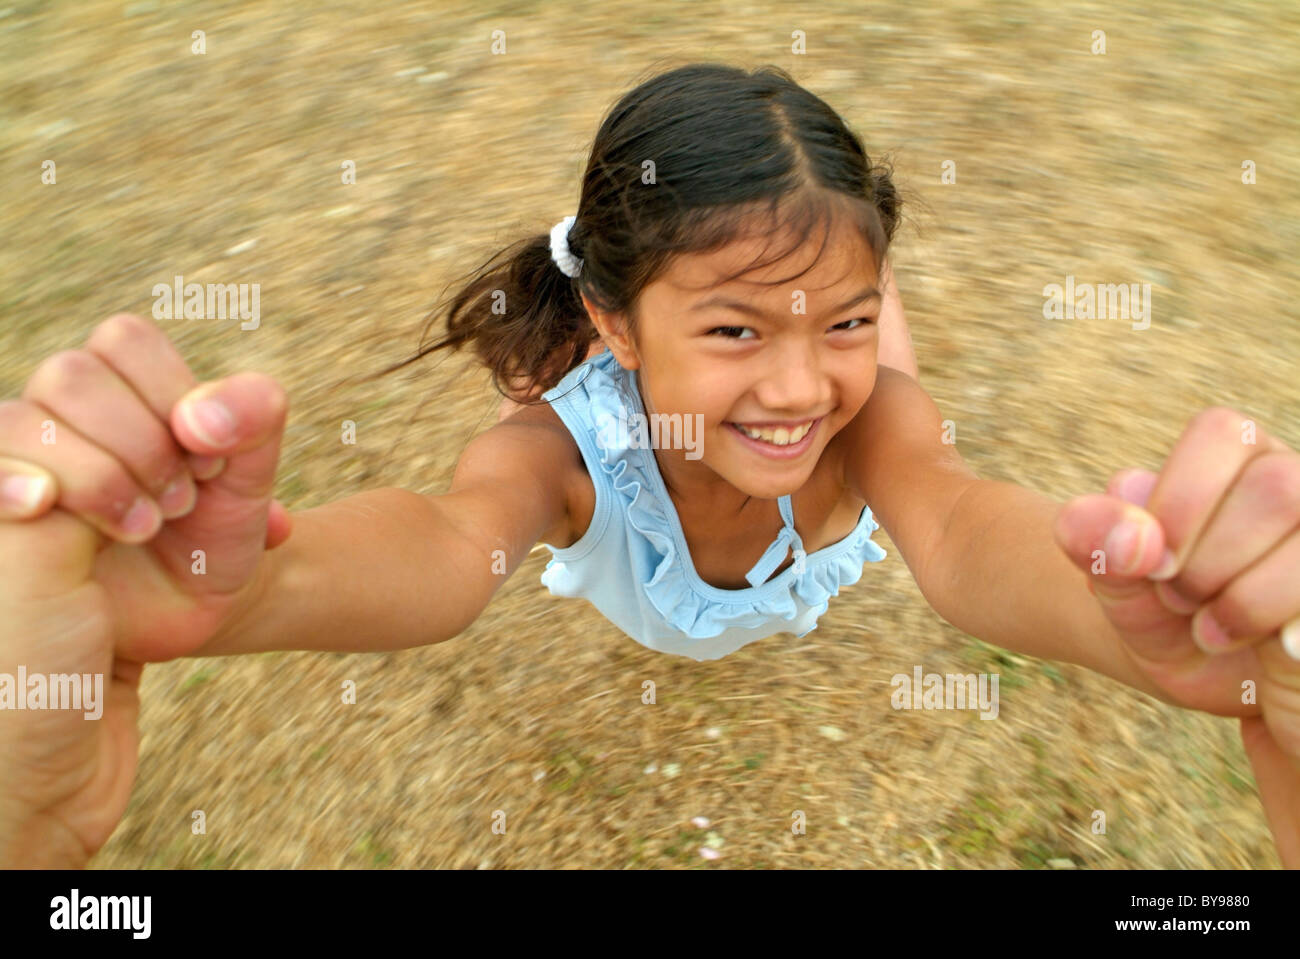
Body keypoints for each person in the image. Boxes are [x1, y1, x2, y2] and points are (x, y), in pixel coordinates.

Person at [1, 61, 1297, 866]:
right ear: (616, 323)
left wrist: (1152, 629)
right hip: (633, 515)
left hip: (792, 525)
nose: (799, 386)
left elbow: (959, 535)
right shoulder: (565, 450)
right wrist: (245, 600)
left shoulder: (876, 418)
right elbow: (454, 549)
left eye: (837, 317)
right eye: (735, 325)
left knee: (892, 379)